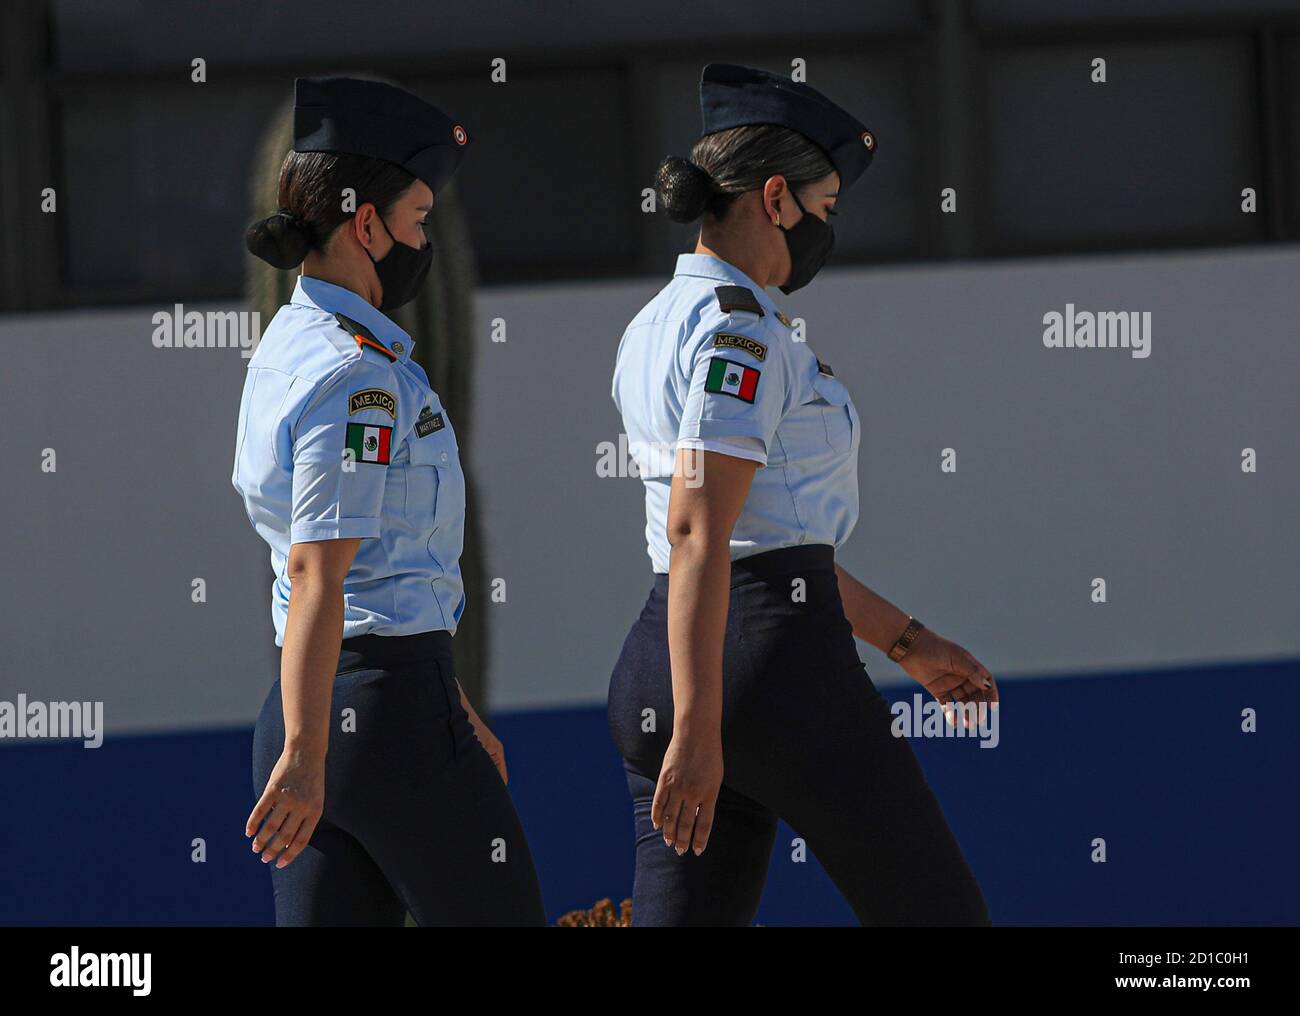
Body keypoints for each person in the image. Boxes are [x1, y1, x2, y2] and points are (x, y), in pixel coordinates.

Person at [607, 63, 997, 926]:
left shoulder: (651, 327)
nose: (829, 230)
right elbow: (701, 530)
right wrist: (701, 734)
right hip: (764, 672)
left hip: (665, 659)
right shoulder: (740, 336)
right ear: (773, 198)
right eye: (823, 208)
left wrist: (909, 641)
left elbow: (768, 543)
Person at [233, 76, 545, 926]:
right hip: (382, 717)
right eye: (414, 217)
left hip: (335, 710)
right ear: (364, 224)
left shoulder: (289, 347)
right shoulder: (359, 380)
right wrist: (312, 751)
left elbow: (370, 567)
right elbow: (319, 567)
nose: (421, 237)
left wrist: (453, 704)